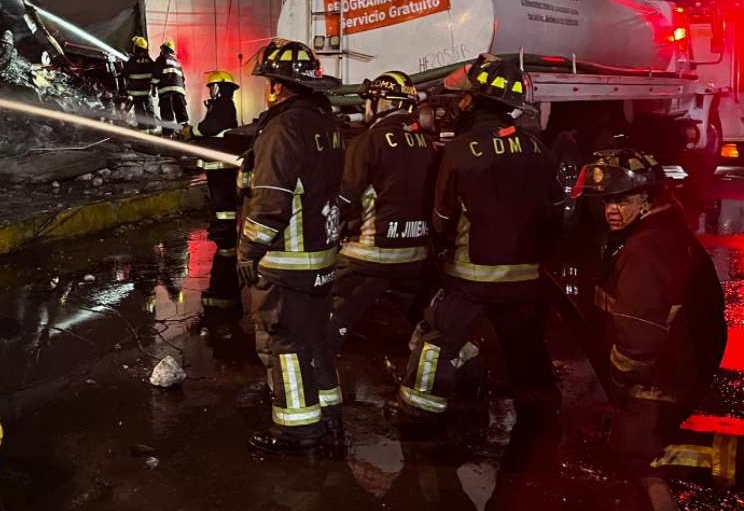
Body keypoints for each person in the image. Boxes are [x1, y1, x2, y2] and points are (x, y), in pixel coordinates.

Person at [396, 56, 563, 421]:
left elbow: (442, 218)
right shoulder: (540, 150)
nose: (460, 103)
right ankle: (539, 412)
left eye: (466, 96)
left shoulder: (460, 151)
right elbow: (554, 212)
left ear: (476, 101)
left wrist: (436, 255)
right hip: (524, 280)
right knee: (527, 348)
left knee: (437, 341)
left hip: (471, 277)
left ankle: (419, 414)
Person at [573, 149, 729, 509]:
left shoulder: (647, 249)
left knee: (633, 454)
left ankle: (730, 457)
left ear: (646, 197)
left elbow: (638, 341)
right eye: (607, 201)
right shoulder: (657, 230)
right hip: (678, 362)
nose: (611, 210)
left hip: (662, 374)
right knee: (628, 440)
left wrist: (621, 386)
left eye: (622, 200)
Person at [236, 39, 345, 455]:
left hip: (287, 261)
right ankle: (328, 413)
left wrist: (248, 251)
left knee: (285, 342)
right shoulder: (326, 123)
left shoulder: (282, 128)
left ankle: (298, 430)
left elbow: (270, 201)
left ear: (278, 86)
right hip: (321, 256)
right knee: (315, 338)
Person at [319, 71, 436, 429]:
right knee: (428, 322)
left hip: (370, 253)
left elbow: (344, 199)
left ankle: (321, 401)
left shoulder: (369, 142)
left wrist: (323, 235)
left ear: (384, 102)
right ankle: (451, 381)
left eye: (370, 99)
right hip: (416, 255)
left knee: (325, 318)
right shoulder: (427, 143)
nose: (366, 106)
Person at [187, 70, 243, 311]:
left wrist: (193, 131)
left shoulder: (222, 105)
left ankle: (226, 235)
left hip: (220, 165)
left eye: (212, 86)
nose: (210, 90)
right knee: (222, 201)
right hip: (219, 162)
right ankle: (224, 231)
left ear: (220, 86)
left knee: (223, 202)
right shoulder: (222, 104)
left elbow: (210, 128)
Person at [155, 39, 188, 135]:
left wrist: (153, 86)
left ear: (164, 50)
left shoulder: (161, 59)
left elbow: (156, 75)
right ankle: (186, 134)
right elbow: (183, 78)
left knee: (167, 113)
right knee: (181, 113)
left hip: (166, 90)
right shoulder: (177, 62)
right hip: (180, 91)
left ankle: (168, 135)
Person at [123, 36, 156, 132]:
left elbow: (125, 73)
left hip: (136, 91)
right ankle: (152, 127)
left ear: (136, 47)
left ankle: (143, 128)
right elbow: (155, 73)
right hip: (147, 90)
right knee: (149, 108)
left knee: (139, 109)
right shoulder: (149, 60)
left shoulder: (132, 60)